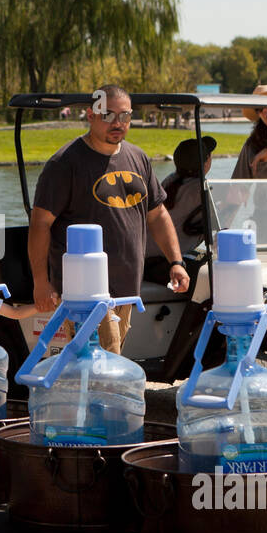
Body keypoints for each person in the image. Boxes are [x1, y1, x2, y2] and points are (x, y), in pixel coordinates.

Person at [28, 85, 190, 355]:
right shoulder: (65, 163)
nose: (118, 123)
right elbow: (40, 224)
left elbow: (158, 214)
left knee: (102, 364)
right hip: (84, 292)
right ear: (90, 116)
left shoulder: (137, 157)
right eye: (108, 115)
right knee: (103, 365)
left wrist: (176, 262)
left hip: (127, 287)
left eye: (125, 116)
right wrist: (40, 281)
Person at [162, 136, 216, 254]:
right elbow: (218, 229)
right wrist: (233, 204)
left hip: (156, 251)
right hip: (174, 256)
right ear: (206, 161)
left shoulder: (169, 180)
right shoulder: (202, 189)